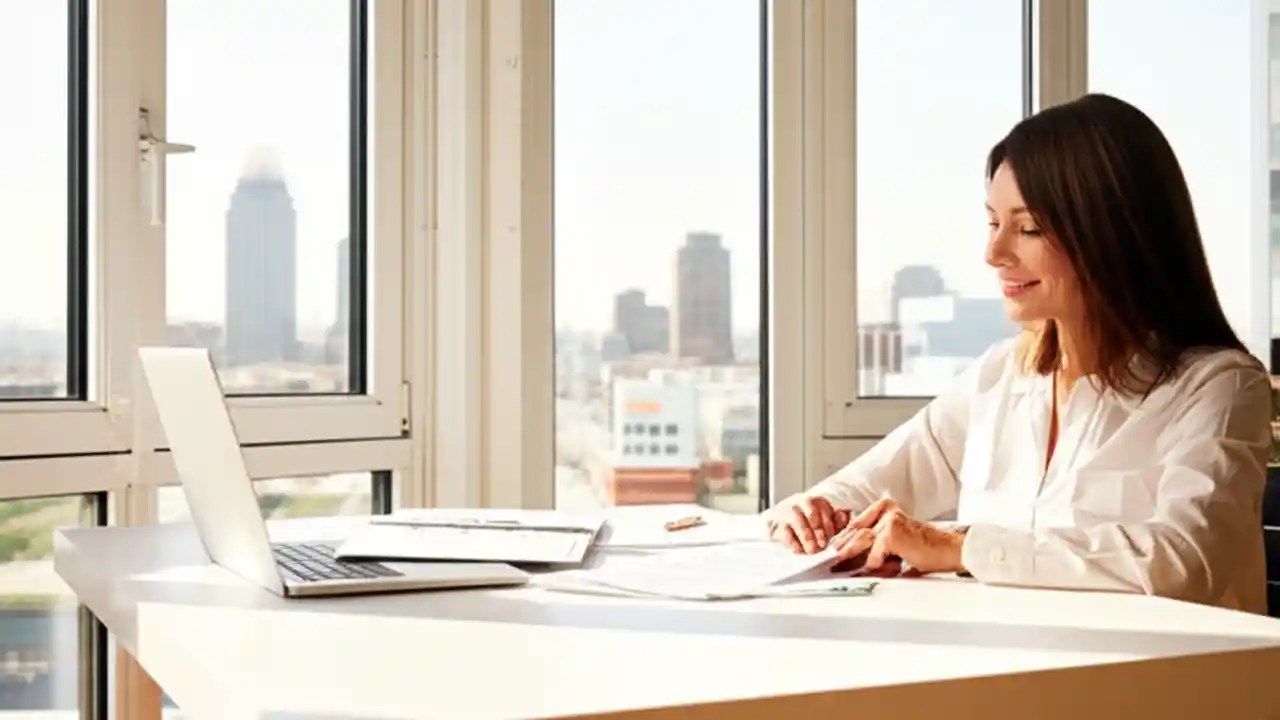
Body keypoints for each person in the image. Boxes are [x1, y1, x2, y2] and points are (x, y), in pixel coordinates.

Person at [767, 93, 1272, 613]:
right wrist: (813, 511)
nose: (994, 253)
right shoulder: (1002, 375)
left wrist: (959, 547)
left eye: (1028, 228)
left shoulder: (1221, 387)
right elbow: (867, 486)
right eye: (993, 223)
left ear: (1111, 235)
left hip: (1166, 664)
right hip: (1009, 656)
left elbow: (1183, 561)